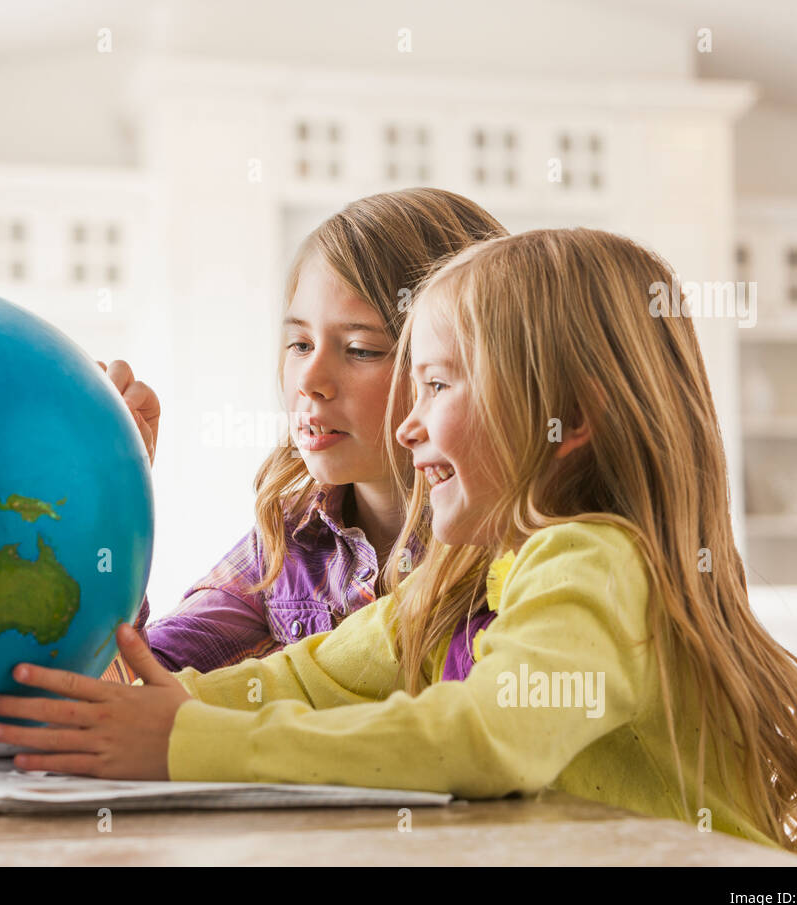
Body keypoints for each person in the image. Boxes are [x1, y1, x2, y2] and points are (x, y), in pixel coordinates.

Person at [0, 227, 797, 861]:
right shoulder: (469, 577)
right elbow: (306, 677)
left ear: (570, 419)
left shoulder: (598, 558)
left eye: (432, 384)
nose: (407, 424)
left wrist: (182, 741)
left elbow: (488, 736)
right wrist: (164, 710)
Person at [100, 188, 507, 681]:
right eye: (300, 343)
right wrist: (114, 494)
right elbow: (135, 687)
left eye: (360, 349)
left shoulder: (514, 544)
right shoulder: (286, 545)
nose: (309, 380)